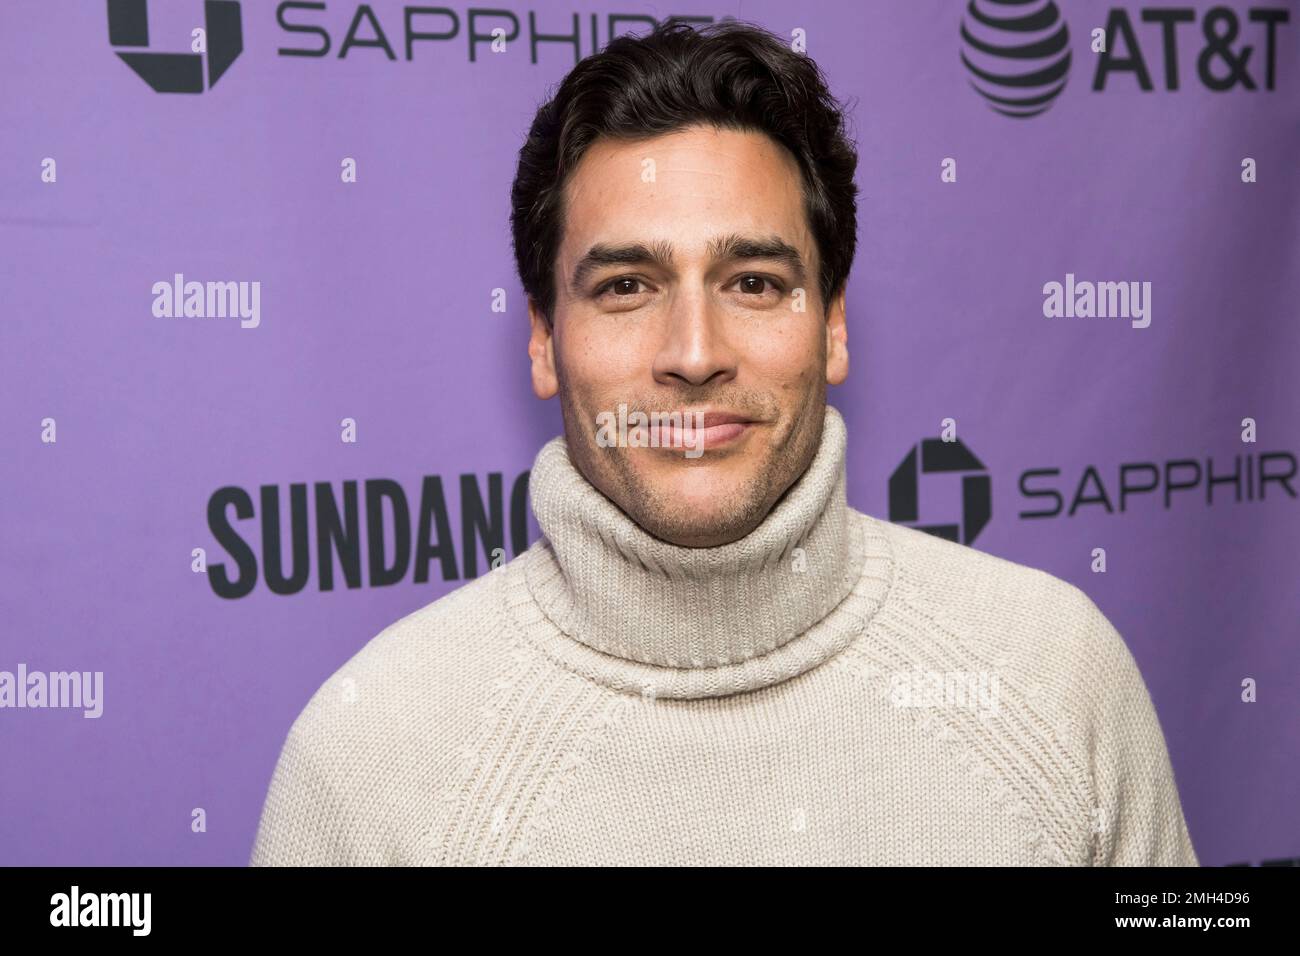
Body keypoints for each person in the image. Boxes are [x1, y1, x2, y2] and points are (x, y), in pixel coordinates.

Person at [250, 18, 1197, 866]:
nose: (694, 355)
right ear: (543, 340)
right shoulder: (370, 759)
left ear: (832, 327)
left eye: (752, 280)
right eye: (626, 286)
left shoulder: (1053, 675)